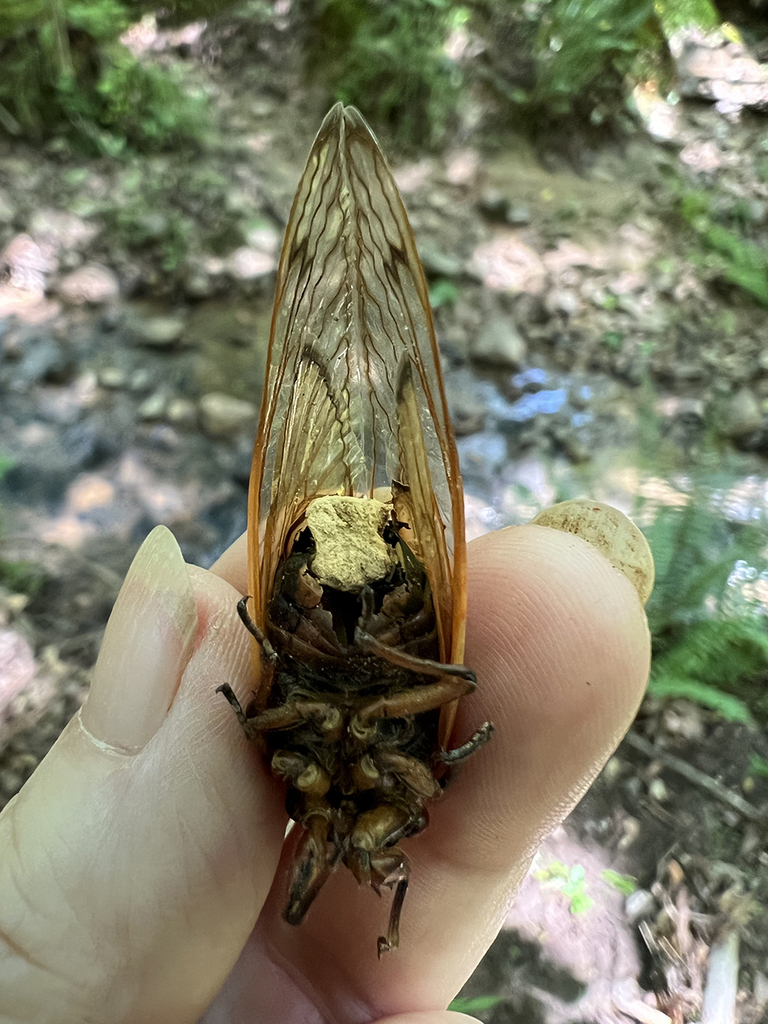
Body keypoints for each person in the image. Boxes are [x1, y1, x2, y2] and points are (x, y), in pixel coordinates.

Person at [0, 512, 650, 1024]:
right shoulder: (400, 788)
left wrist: (272, 689)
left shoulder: (305, 780)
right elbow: (446, 708)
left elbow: (270, 726)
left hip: (308, 623)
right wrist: (436, 753)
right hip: (396, 632)